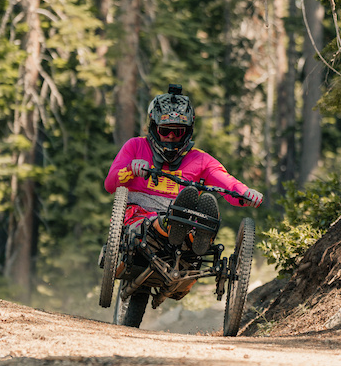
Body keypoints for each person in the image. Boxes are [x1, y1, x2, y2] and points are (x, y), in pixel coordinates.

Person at [104, 85, 263, 256]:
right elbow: (110, 184)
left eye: (178, 131)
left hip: (183, 220)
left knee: (196, 212)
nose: (171, 136)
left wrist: (246, 192)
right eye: (165, 130)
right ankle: (170, 224)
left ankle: (198, 235)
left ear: (187, 131)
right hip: (139, 219)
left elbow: (226, 182)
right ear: (154, 128)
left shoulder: (200, 159)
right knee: (154, 223)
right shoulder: (135, 146)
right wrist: (131, 170)